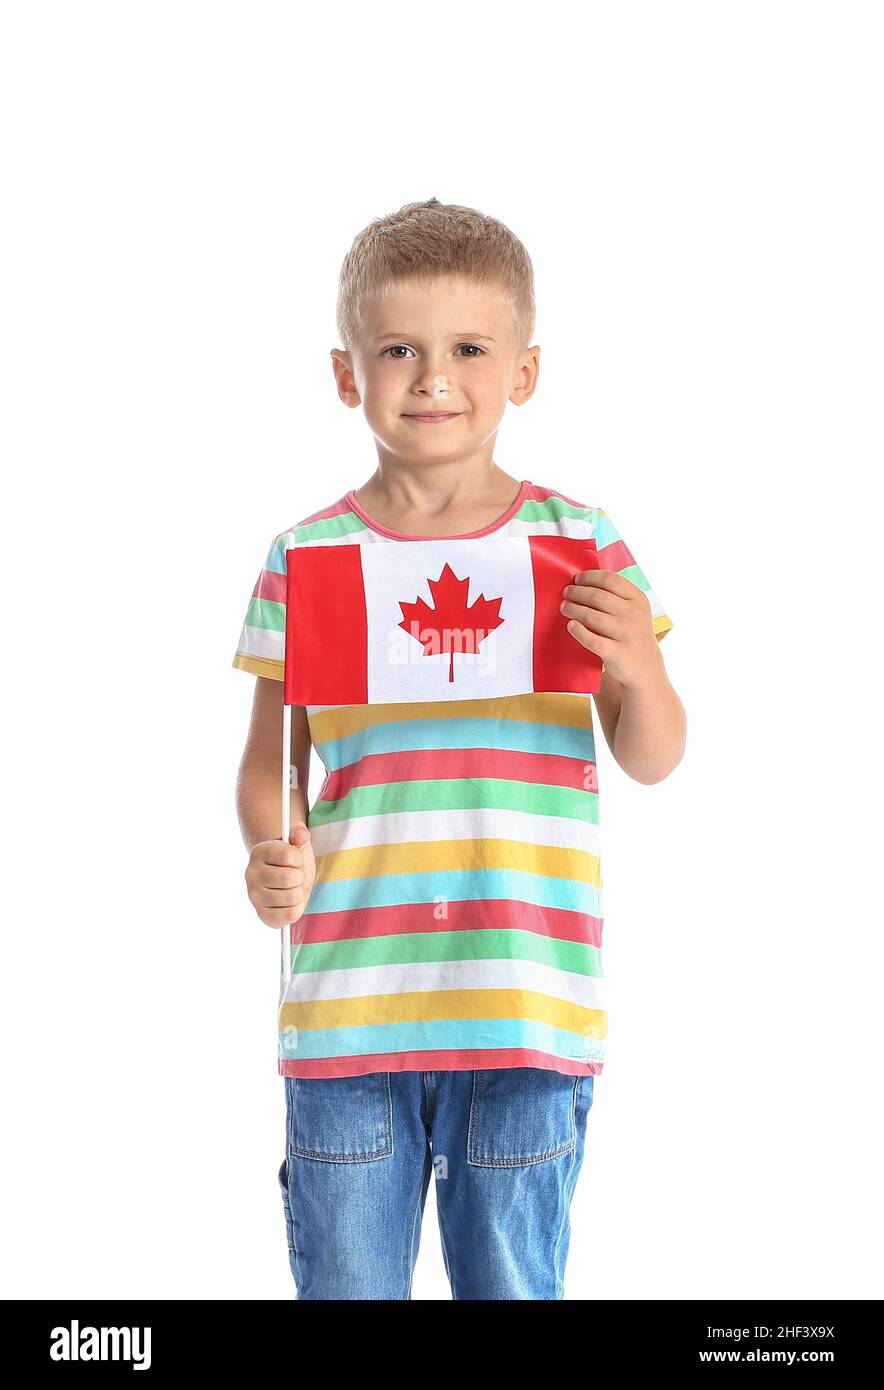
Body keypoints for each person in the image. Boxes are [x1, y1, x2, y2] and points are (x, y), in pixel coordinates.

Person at [232, 197, 687, 1299]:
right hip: (349, 1005)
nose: (433, 377)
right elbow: (269, 759)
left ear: (524, 371)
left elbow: (653, 754)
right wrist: (269, 847)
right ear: (346, 374)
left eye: (469, 350)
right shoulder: (307, 559)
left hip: (524, 999)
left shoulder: (578, 544)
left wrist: (639, 663)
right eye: (399, 349)